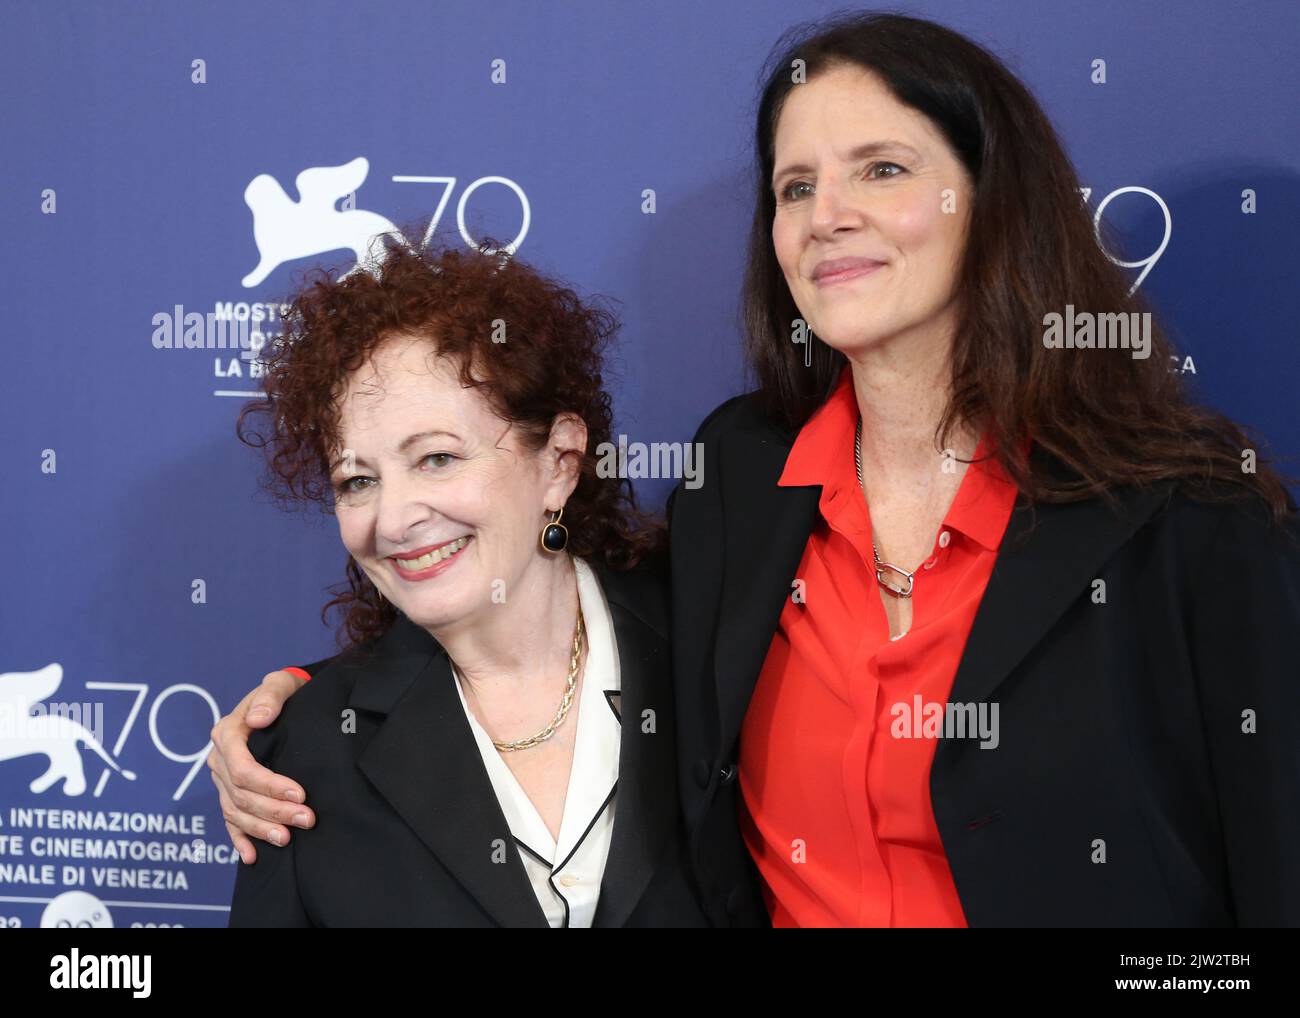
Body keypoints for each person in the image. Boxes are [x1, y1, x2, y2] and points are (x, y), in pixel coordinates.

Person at [214, 13, 1300, 927]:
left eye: (881, 168)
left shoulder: (1185, 513)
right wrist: (297, 710)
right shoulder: (743, 476)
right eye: (793, 186)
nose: (827, 214)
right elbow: (546, 616)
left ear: (993, 195)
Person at [225, 236, 707, 927]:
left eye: (437, 459)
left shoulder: (713, 663)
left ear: (561, 461)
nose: (393, 519)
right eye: (358, 480)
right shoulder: (298, 755)